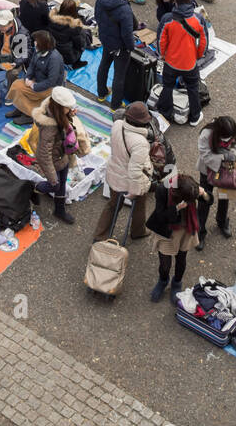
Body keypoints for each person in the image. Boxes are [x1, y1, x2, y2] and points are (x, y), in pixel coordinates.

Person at [92, 101, 153, 243]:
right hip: (129, 180)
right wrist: (135, 191)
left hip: (114, 174)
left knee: (112, 205)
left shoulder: (117, 125)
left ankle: (100, 236)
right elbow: (135, 171)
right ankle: (138, 231)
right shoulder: (140, 142)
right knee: (139, 204)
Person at [32, 86, 88, 226]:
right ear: (58, 107)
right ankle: (33, 187)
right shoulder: (50, 128)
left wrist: (70, 114)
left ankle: (59, 210)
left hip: (63, 156)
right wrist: (52, 178)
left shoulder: (59, 114)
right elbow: (43, 154)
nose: (69, 109)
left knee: (62, 184)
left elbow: (65, 125)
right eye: (67, 108)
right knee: (55, 185)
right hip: (53, 160)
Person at [147, 175, 206, 303]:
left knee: (181, 259)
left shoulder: (190, 186)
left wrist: (204, 193)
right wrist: (177, 208)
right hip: (167, 229)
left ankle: (177, 283)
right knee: (164, 264)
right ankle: (163, 281)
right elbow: (160, 215)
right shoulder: (162, 189)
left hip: (186, 229)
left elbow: (209, 200)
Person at [156, 0, 209, 126]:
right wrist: (198, 55)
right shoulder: (198, 19)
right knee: (192, 87)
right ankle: (194, 116)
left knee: (167, 86)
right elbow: (204, 41)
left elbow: (161, 40)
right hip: (190, 63)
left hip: (171, 62)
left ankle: (165, 114)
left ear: (175, 1)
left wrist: (162, 55)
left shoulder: (167, 19)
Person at [197, 116, 236, 247]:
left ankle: (222, 221)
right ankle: (200, 231)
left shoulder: (233, 132)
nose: (228, 140)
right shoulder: (206, 134)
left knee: (224, 197)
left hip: (226, 172)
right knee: (204, 199)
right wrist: (224, 157)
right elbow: (205, 155)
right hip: (208, 171)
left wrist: (232, 155)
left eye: (230, 138)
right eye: (224, 138)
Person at [94, 0, 138, 108]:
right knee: (119, 76)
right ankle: (116, 105)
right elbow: (127, 34)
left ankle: (101, 94)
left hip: (106, 40)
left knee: (104, 65)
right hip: (120, 47)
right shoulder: (124, 8)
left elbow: (97, 16)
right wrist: (131, 47)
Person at [5, 28, 65, 120]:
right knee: (16, 85)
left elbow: (51, 81)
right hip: (37, 80)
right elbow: (32, 66)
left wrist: (34, 86)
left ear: (43, 44)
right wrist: (27, 78)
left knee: (22, 90)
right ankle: (21, 108)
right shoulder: (38, 51)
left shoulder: (54, 58)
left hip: (50, 87)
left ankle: (29, 114)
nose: (34, 43)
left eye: (36, 42)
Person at [47, 0, 90, 67]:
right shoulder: (74, 27)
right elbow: (80, 44)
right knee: (84, 41)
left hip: (53, 50)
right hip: (67, 56)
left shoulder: (52, 19)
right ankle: (76, 63)